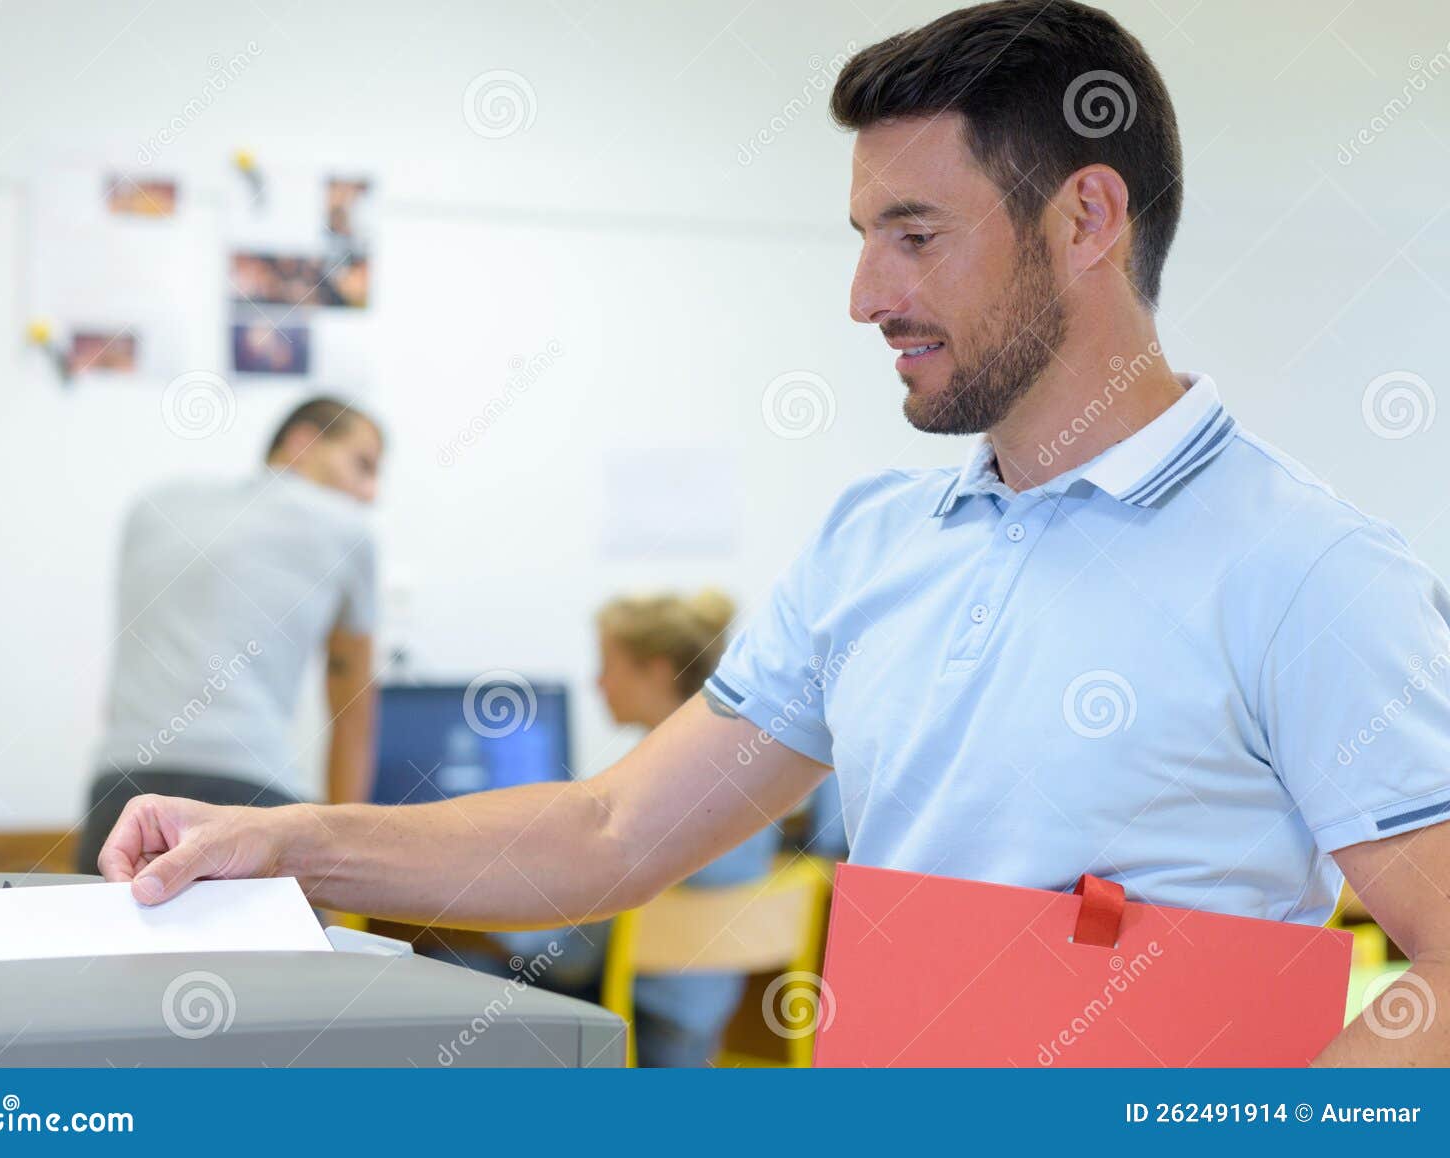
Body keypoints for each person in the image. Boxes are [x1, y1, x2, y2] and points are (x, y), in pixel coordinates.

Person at [101, 2, 1450, 1064]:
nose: (868, 294)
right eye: (865, 236)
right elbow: (608, 829)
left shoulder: (1310, 572)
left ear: (1088, 217)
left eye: (917, 235)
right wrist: (288, 841)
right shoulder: (873, 543)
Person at [75, 396, 381, 875]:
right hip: (252, 796)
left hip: (120, 797)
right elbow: (354, 716)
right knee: (313, 951)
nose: (370, 492)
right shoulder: (347, 530)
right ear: (303, 443)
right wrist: (341, 867)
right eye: (362, 465)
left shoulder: (154, 504)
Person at [488, 590, 779, 1066]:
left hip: (636, 1032)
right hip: (702, 1026)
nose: (597, 682)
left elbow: (571, 959)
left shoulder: (656, 793)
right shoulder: (748, 772)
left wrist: (486, 923)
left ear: (657, 670)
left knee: (457, 970)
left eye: (608, 664)